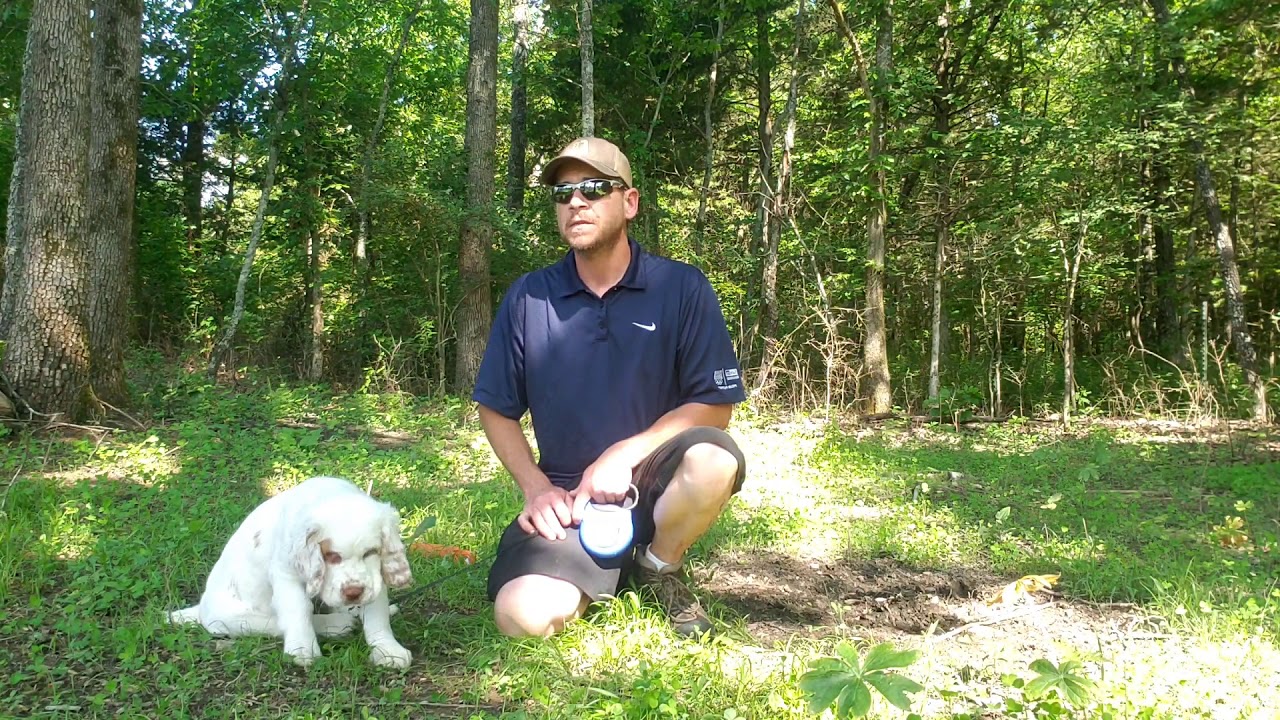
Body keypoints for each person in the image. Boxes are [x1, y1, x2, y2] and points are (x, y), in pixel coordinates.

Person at [471, 136, 748, 639]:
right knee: (521, 617)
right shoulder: (530, 297)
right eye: (563, 193)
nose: (576, 202)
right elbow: (495, 407)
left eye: (594, 188)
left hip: (657, 484)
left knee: (714, 458)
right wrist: (537, 489)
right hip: (573, 501)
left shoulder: (681, 288)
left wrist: (620, 455)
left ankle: (659, 566)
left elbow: (715, 405)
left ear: (630, 202)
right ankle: (603, 569)